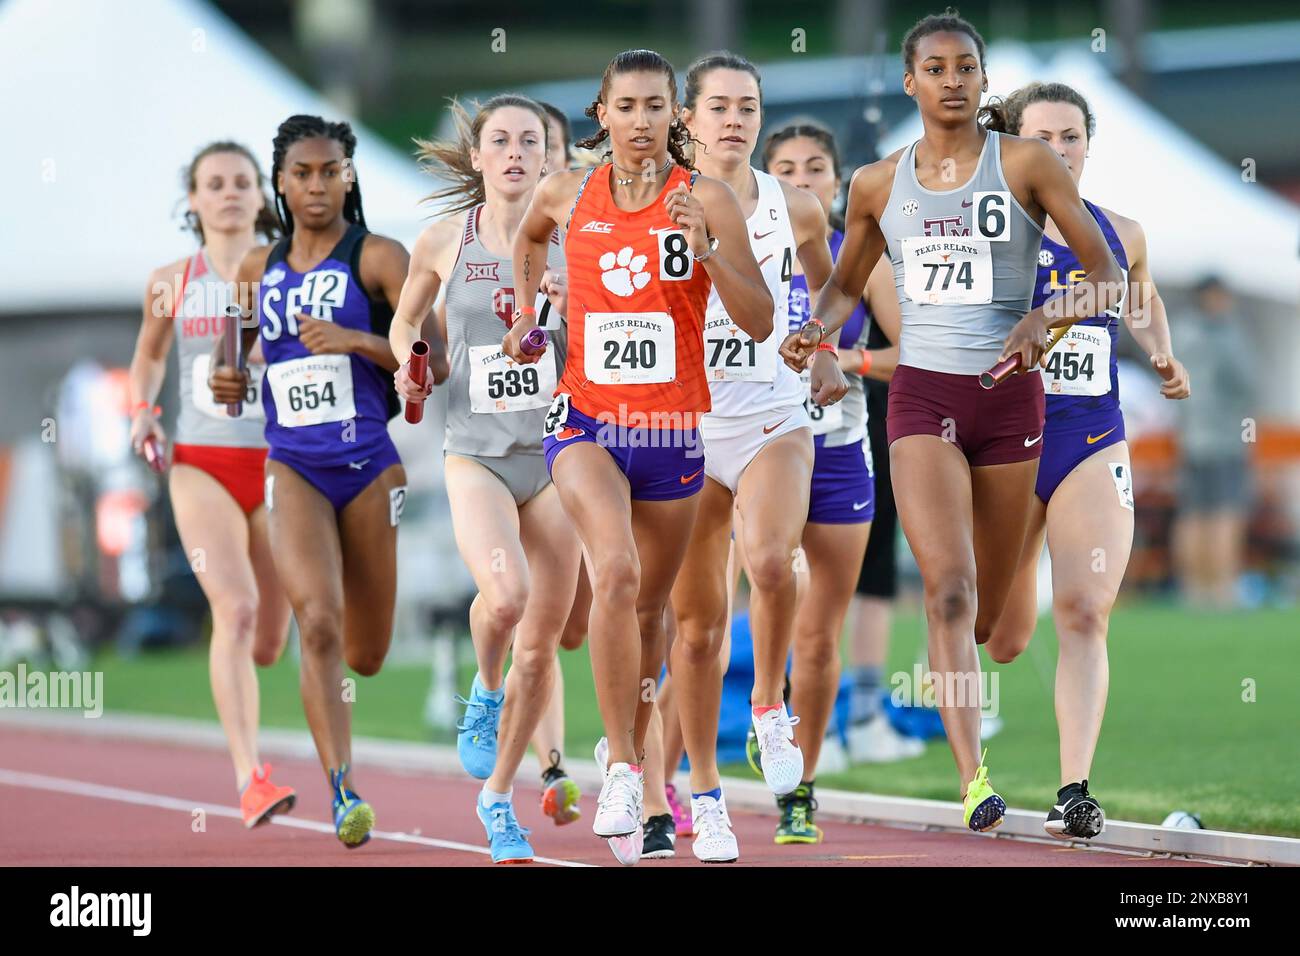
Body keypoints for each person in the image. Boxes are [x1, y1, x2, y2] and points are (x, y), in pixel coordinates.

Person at [782, 10, 1124, 833]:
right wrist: (819, 327)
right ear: (912, 83)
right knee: (947, 591)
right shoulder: (876, 182)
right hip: (923, 399)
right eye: (935, 68)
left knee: (996, 624)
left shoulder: (1028, 164)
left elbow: (1106, 272)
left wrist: (1048, 319)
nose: (953, 80)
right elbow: (846, 280)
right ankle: (975, 779)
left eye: (966, 67)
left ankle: (973, 661)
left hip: (1012, 402)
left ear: (981, 80)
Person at [503, 48, 775, 865]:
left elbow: (760, 319)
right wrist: (526, 312)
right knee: (613, 575)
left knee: (652, 615)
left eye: (658, 107)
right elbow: (530, 235)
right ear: (602, 114)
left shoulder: (709, 198)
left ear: (675, 118)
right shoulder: (566, 190)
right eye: (627, 107)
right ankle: (624, 767)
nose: (642, 122)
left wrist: (714, 250)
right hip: (585, 422)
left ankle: (639, 757)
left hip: (671, 435)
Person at [209, 115, 441, 848]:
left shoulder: (378, 258)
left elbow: (431, 358)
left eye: (330, 170)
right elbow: (232, 352)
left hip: (370, 465)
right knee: (317, 622)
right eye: (303, 173)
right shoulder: (254, 269)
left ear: (349, 176)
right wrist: (228, 375)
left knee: (365, 654)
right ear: (280, 182)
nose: (317, 184)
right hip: (294, 466)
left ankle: (345, 721)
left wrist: (359, 341)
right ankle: (343, 787)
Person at [983, 81, 1190, 839]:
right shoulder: (987, 229)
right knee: (1001, 637)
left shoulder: (1121, 231)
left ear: (1088, 144)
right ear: (1013, 145)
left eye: (1072, 136)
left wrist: (1162, 353)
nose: (1060, 150)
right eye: (1043, 137)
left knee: (1083, 608)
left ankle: (1074, 790)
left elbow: (1143, 297)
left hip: (1089, 439)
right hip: (1004, 446)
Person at [390, 94, 583, 863]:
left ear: (547, 158)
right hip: (476, 455)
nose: (512, 153)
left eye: (527, 142)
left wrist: (568, 319)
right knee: (506, 598)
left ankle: (499, 796)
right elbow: (407, 321)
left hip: (561, 453)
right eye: (498, 141)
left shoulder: (576, 241)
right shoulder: (443, 240)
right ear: (477, 158)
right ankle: (484, 689)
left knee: (545, 642)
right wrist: (410, 360)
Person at [666, 53, 844, 863]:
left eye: (748, 105)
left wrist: (827, 351)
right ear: (689, 120)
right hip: (684, 429)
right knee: (697, 629)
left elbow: (827, 288)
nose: (735, 119)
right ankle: (698, 792)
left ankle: (770, 706)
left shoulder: (796, 205)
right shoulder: (654, 201)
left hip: (774, 414)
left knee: (774, 564)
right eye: (719, 107)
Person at [129, 141, 296, 829]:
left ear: (262, 196)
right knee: (237, 609)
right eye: (213, 183)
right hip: (201, 465)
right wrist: (144, 410)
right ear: (192, 201)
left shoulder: (293, 271)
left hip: (281, 464)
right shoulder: (172, 280)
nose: (228, 192)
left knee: (270, 639)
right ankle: (249, 776)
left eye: (241, 182)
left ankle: (253, 706)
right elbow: (148, 355)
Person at [762, 118, 905, 842]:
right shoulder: (741, 246)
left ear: (838, 180)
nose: (801, 181)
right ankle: (706, 760)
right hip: (755, 454)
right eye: (784, 168)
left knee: (818, 637)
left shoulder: (860, 255)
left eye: (815, 167)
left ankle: (803, 786)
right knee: (729, 603)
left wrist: (849, 363)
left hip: (840, 453)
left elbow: (908, 352)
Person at [1170, 276, 1251, 608]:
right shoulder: (1224, 334)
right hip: (1223, 437)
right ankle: (1222, 589)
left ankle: (1193, 590)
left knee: (1192, 514)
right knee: (1225, 513)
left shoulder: (1180, 331)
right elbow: (1247, 379)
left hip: (1189, 436)